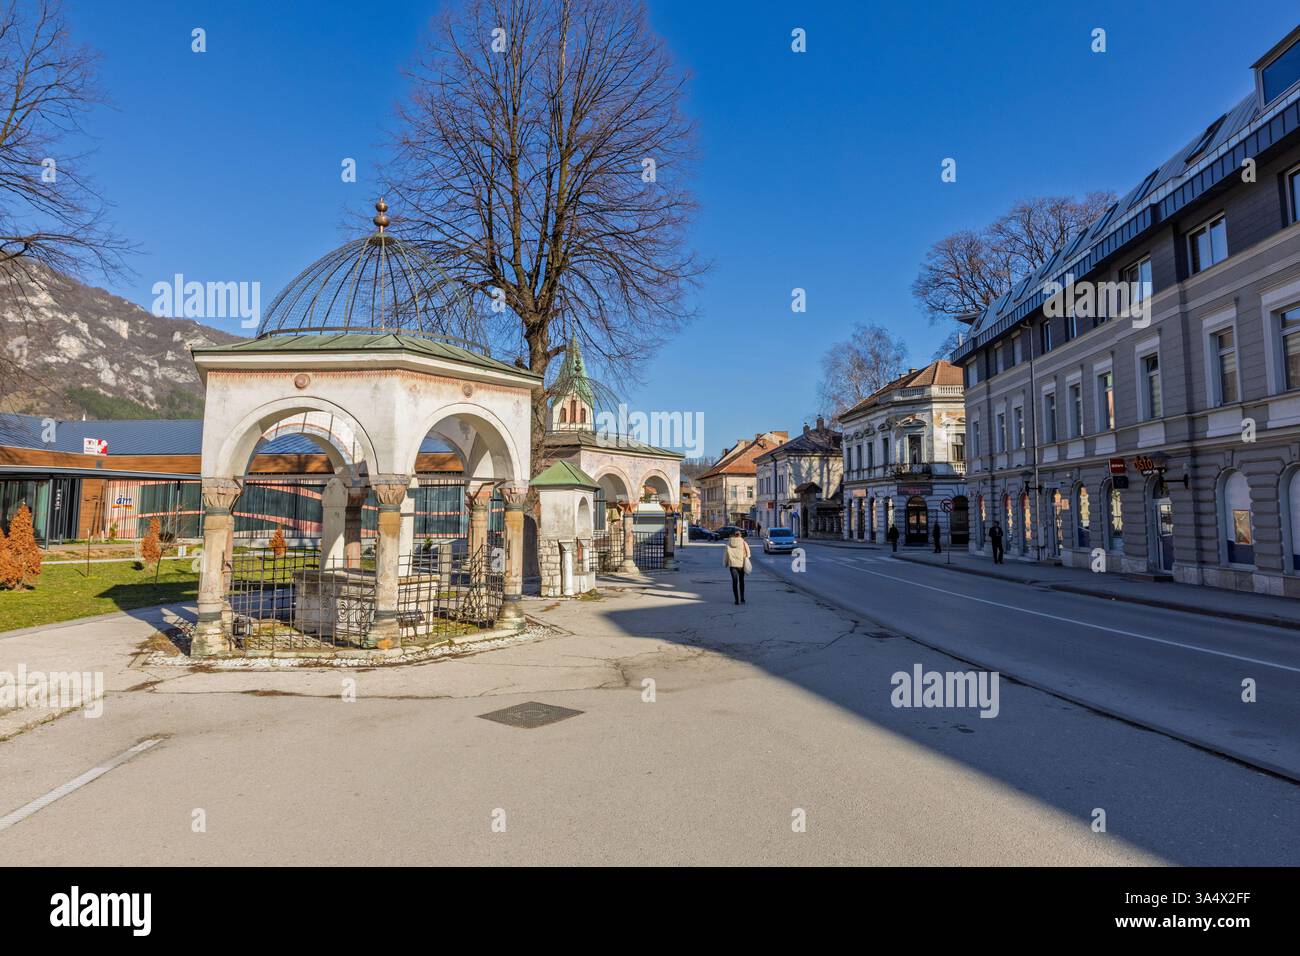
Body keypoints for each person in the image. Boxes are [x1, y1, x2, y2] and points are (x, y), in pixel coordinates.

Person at [723, 528, 751, 605]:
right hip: (741, 565)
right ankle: (742, 598)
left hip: (732, 565)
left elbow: (726, 555)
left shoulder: (729, 543)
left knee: (734, 582)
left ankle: (736, 600)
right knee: (741, 581)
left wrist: (725, 563)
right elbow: (748, 554)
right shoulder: (743, 542)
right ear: (740, 535)